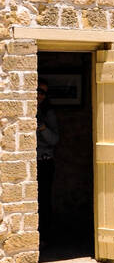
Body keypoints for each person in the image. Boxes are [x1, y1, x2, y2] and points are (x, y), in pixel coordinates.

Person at [36, 81, 59, 242]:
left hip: (44, 162)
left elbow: (55, 139)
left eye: (43, 93)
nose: (40, 95)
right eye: (38, 91)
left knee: (43, 200)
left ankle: (45, 238)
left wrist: (43, 128)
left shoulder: (48, 114)